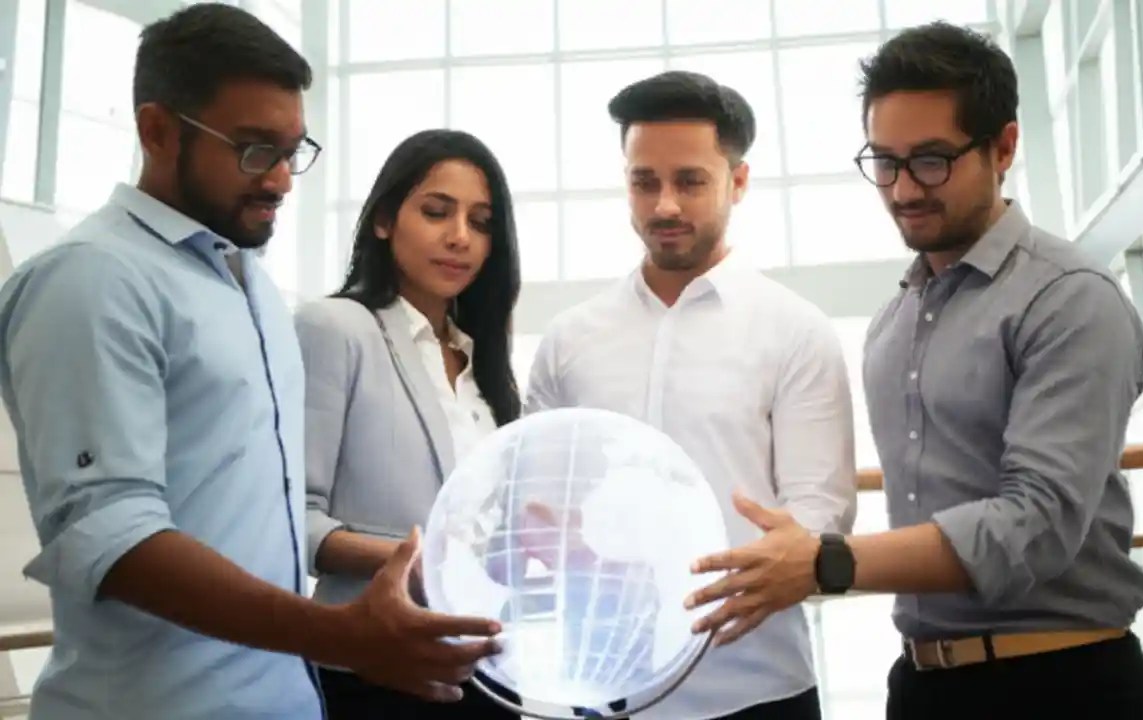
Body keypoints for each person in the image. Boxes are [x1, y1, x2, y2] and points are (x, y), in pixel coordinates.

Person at [0, 6, 498, 719]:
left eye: (293, 149)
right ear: (156, 131)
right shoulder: (93, 279)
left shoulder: (251, 287)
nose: (283, 180)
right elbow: (111, 536)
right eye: (253, 149)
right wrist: (340, 633)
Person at [683, 21, 1143, 720]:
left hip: (1062, 684)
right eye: (885, 161)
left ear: (1004, 147)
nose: (903, 189)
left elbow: (1039, 521)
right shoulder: (893, 322)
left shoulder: (1070, 299)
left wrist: (826, 561)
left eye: (932, 160)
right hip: (923, 683)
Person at [525, 70, 857, 720]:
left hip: (757, 690)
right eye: (643, 181)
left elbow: (821, 511)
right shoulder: (570, 339)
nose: (664, 206)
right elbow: (538, 503)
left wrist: (774, 560)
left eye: (690, 181)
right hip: (604, 690)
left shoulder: (795, 330)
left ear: (738, 181)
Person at [294, 128, 523, 719]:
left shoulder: (484, 365)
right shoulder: (335, 329)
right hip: (377, 669)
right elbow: (292, 518)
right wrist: (417, 561)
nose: (460, 238)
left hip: (488, 666)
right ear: (383, 221)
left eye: (481, 222)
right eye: (436, 212)